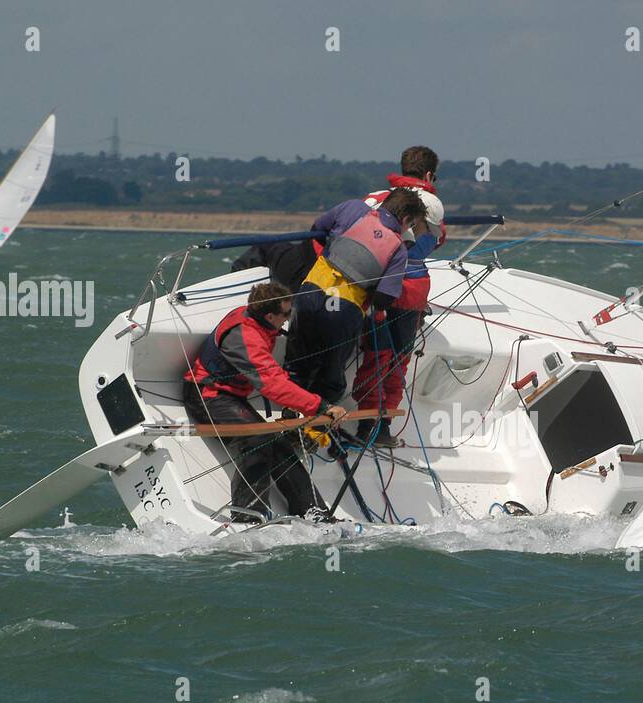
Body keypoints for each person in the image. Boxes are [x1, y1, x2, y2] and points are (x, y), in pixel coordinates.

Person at [183, 281, 347, 521]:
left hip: (229, 395)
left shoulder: (260, 322)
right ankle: (248, 515)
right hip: (206, 395)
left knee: (278, 443)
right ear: (269, 316)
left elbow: (274, 376)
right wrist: (322, 407)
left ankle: (313, 512)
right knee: (256, 440)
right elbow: (271, 384)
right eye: (286, 314)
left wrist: (300, 401)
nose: (289, 318)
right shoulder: (245, 336)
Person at [284, 187, 427, 407]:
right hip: (343, 311)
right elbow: (383, 301)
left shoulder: (352, 207)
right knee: (330, 380)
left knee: (297, 365)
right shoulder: (398, 249)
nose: (409, 229)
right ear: (406, 219)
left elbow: (318, 228)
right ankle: (312, 431)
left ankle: (287, 413)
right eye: (411, 224)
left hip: (309, 295)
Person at [352, 146, 446, 446]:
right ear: (430, 174)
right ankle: (378, 428)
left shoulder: (373, 197)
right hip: (408, 291)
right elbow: (438, 240)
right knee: (396, 360)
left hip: (371, 286)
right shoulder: (433, 204)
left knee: (375, 355)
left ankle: (359, 420)